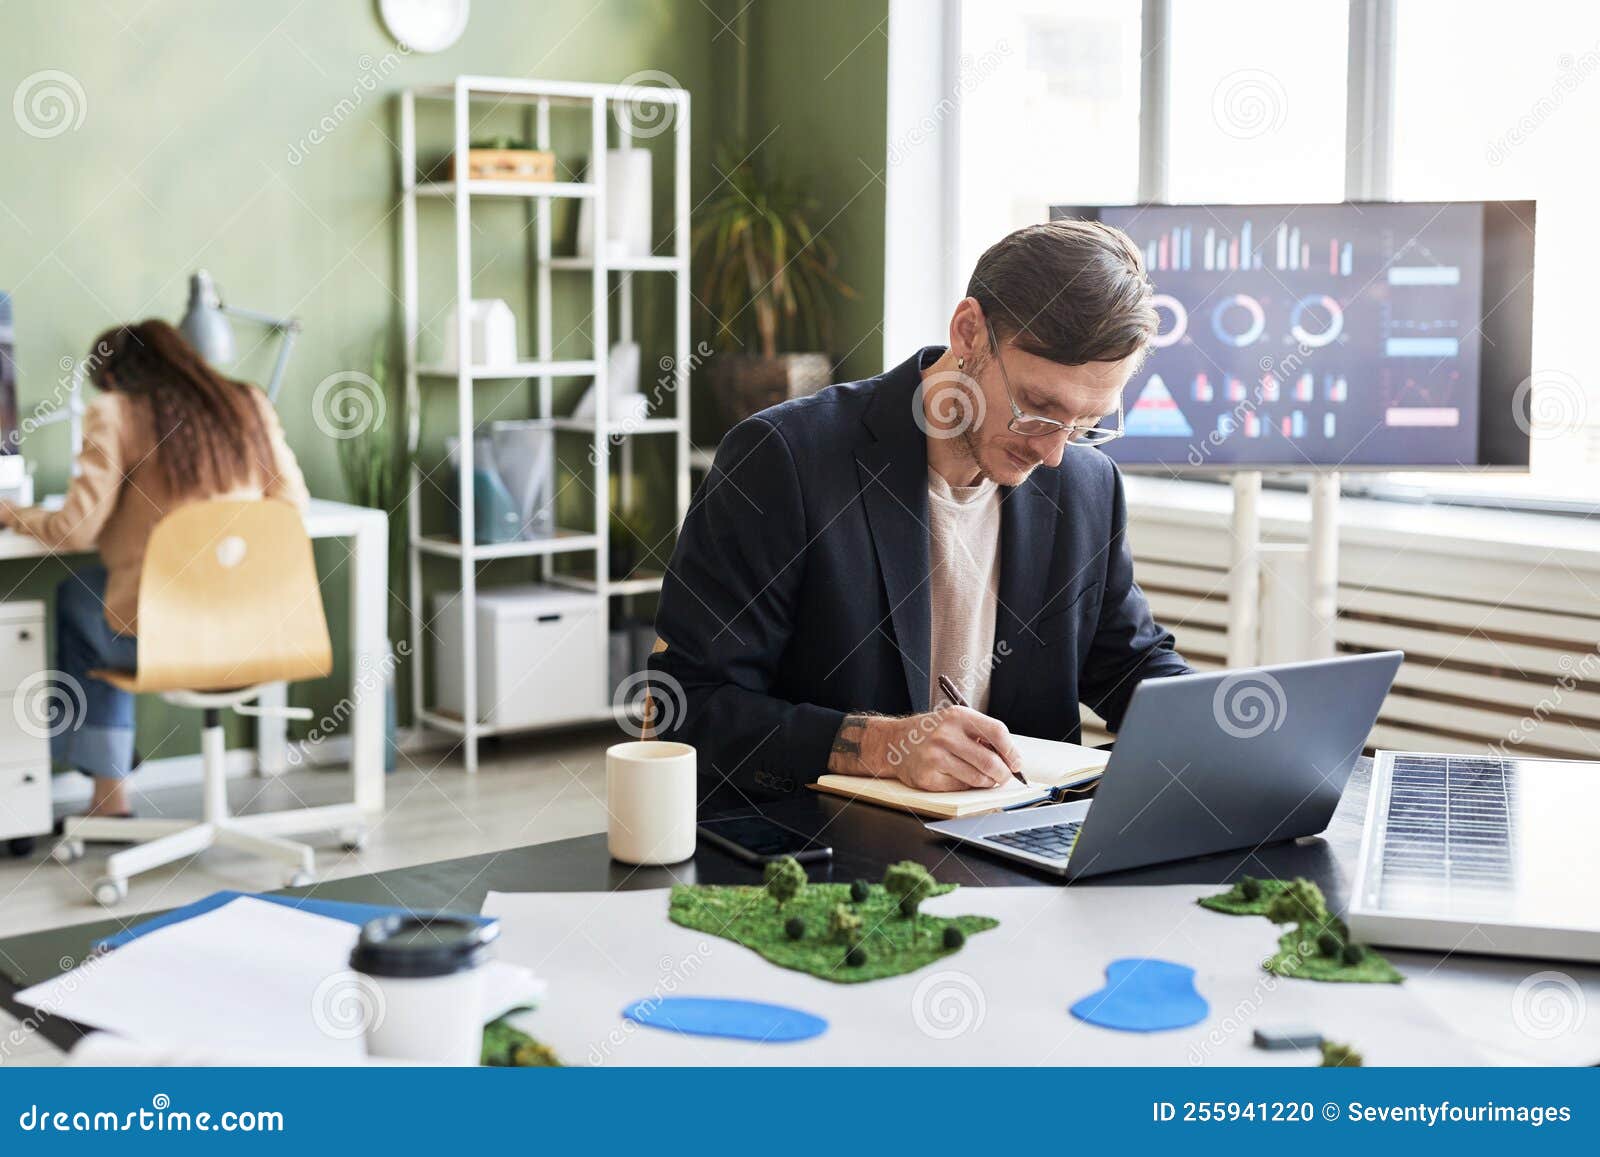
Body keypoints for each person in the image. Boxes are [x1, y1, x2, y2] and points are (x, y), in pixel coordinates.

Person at [651, 220, 1190, 806]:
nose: (1053, 451)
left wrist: (1223, 724)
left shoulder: (1087, 484)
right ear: (968, 332)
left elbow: (1131, 663)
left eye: (1088, 424)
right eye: (1038, 406)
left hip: (1025, 852)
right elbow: (689, 704)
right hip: (827, 846)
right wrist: (882, 745)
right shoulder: (782, 460)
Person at [0, 320, 309, 821]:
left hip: (171, 636)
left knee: (77, 596)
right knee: (89, 596)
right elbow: (292, 506)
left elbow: (74, 531)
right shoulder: (246, 404)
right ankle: (108, 787)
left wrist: (12, 514)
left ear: (115, 378)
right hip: (258, 630)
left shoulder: (116, 412)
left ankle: (108, 793)